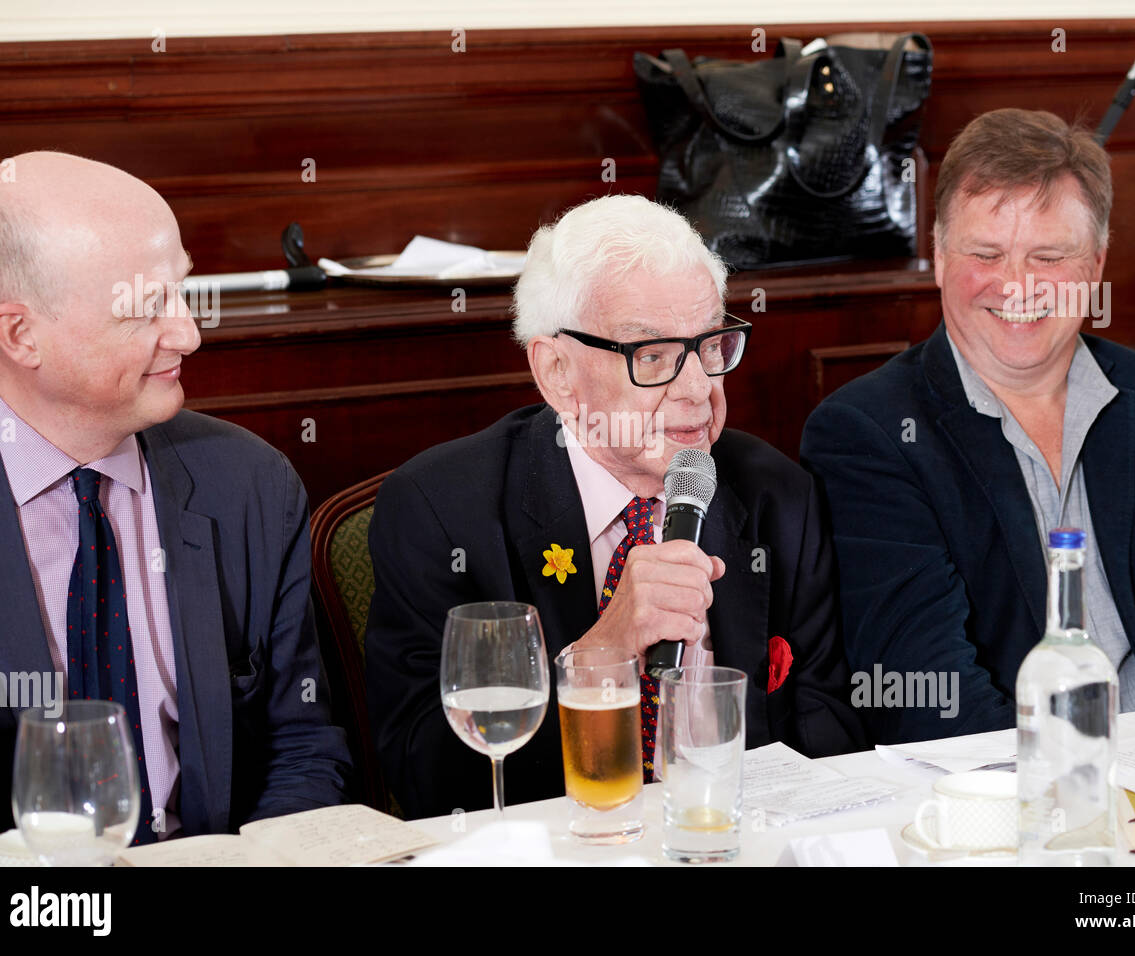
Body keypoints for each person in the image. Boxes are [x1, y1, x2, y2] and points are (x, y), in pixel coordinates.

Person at [366, 194, 863, 819]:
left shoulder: (778, 497)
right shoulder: (441, 511)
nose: (698, 390)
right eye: (651, 356)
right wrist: (606, 650)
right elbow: (427, 777)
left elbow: (833, 733)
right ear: (557, 373)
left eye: (710, 345)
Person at [801, 109, 1135, 745]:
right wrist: (1068, 791)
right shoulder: (867, 432)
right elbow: (926, 691)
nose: (1017, 285)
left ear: (1096, 264)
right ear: (937, 258)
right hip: (1006, 797)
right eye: (986, 253)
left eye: (1048, 256)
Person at [0, 152, 350, 865]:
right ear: (20, 335)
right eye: (146, 307)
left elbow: (304, 745)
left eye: (182, 291)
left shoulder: (250, 485)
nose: (189, 333)